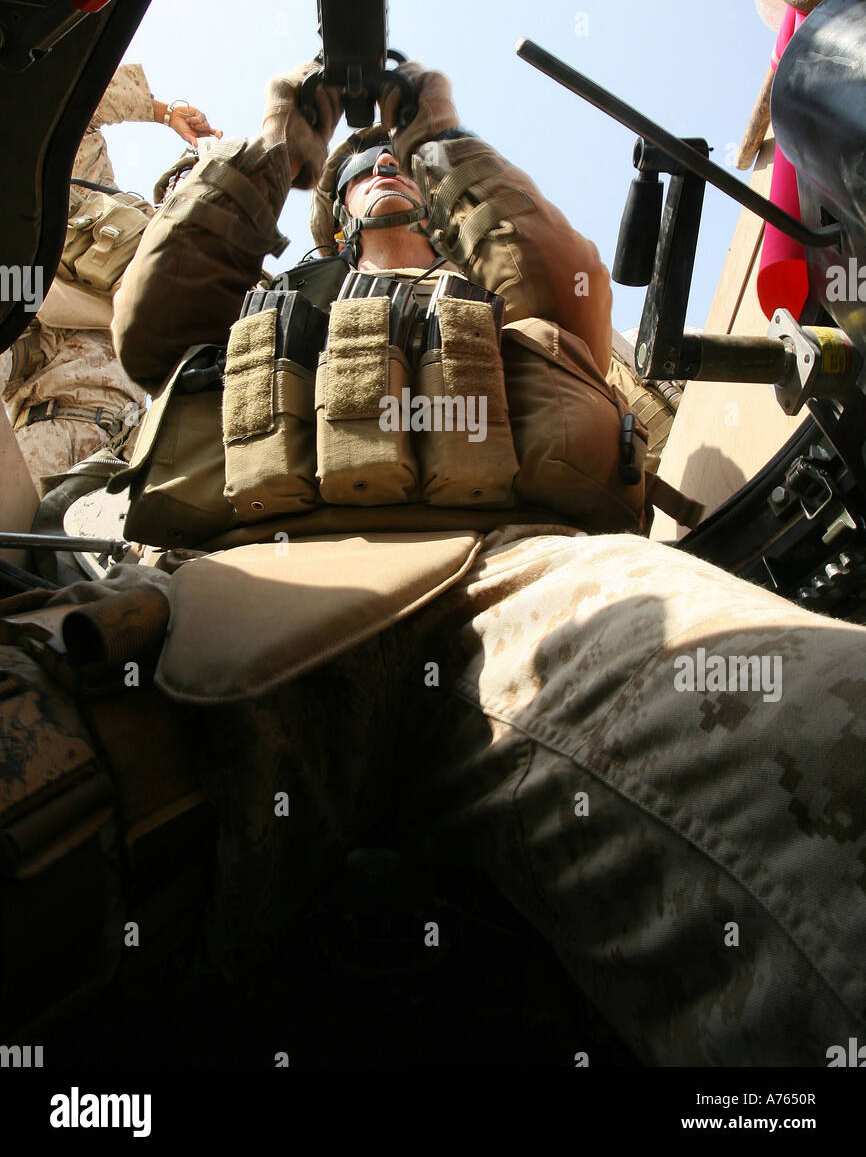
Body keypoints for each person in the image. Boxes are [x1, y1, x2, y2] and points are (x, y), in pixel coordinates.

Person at [106, 58, 866, 1068]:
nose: (376, 170)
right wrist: (285, 139)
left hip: (504, 585)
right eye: (355, 168)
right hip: (235, 598)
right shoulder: (273, 298)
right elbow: (151, 323)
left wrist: (436, 133)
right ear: (329, 212)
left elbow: (559, 279)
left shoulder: (493, 288)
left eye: (393, 163)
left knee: (811, 743)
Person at [0, 62, 221, 489]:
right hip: (47, 433)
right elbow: (73, 98)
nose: (189, 186)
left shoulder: (203, 278)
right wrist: (162, 111)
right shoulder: (85, 195)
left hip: (132, 453)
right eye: (180, 179)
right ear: (163, 191)